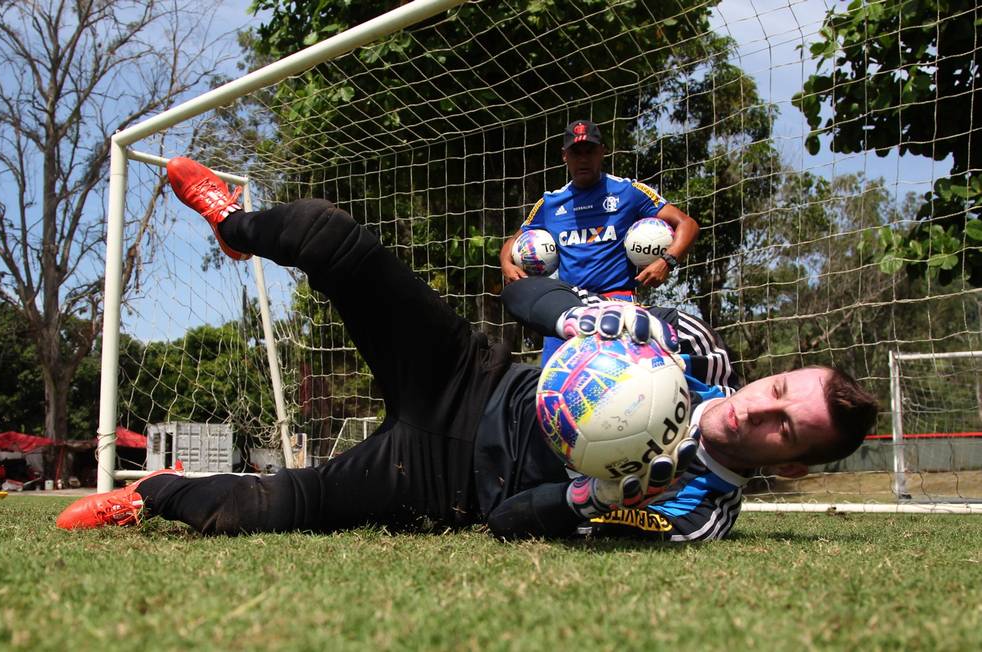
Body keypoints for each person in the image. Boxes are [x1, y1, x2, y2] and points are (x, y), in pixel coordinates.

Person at [57, 157, 878, 542]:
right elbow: (520, 297)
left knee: (276, 507)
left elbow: (508, 523)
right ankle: (237, 225)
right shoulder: (688, 348)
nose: (758, 409)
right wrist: (577, 317)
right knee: (334, 239)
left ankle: (150, 496)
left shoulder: (694, 513)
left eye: (784, 430)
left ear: (794, 467)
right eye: (777, 391)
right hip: (471, 372)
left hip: (448, 479)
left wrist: (594, 496)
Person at [499, 119, 700, 363]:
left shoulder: (629, 192)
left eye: (590, 151)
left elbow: (687, 224)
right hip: (567, 307)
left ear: (602, 152)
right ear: (565, 156)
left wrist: (667, 260)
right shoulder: (550, 203)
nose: (583, 159)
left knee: (617, 386)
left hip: (617, 304)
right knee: (553, 385)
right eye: (576, 152)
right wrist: (507, 265)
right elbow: (513, 242)